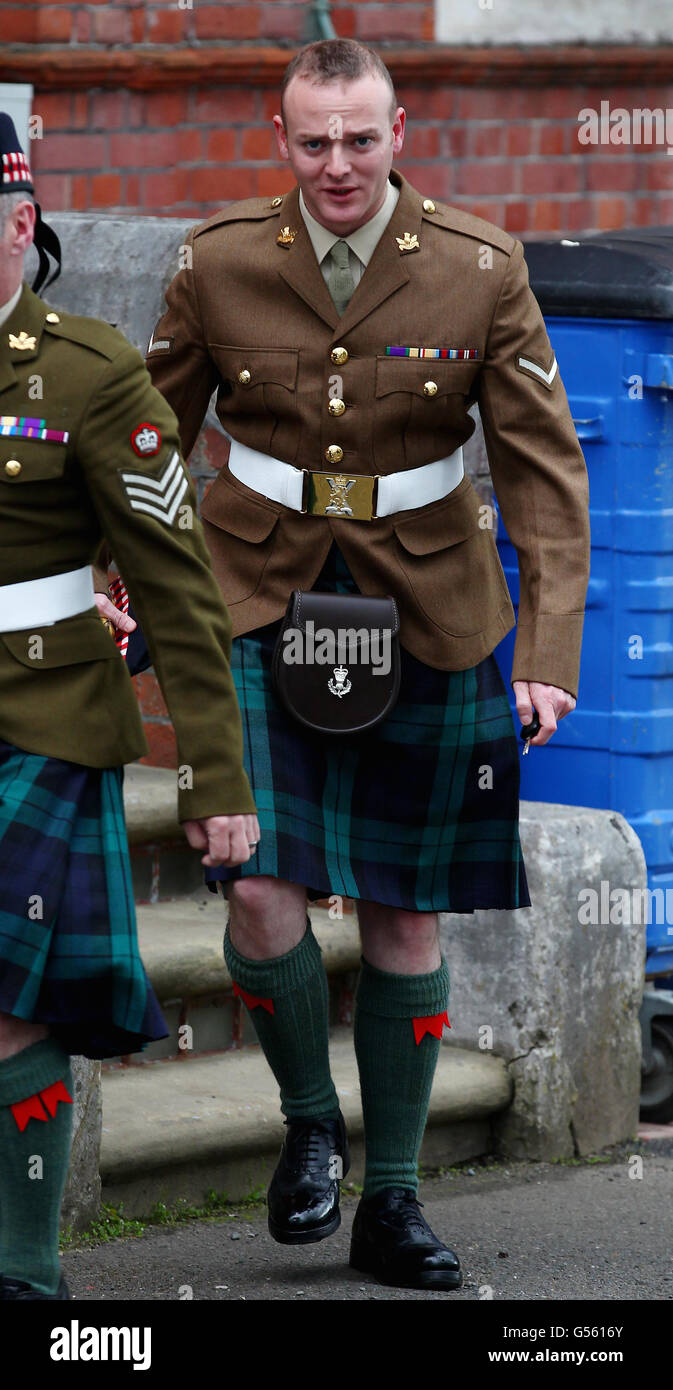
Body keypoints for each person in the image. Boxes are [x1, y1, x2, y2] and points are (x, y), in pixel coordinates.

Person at [146, 39, 590, 1292]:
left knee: (405, 912)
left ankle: (392, 1202)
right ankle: (306, 1120)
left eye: (358, 137)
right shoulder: (219, 261)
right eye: (312, 140)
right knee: (253, 888)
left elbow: (546, 478)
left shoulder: (481, 268)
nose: (335, 164)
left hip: (433, 609)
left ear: (400, 135)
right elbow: (146, 443)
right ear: (279, 140)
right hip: (255, 594)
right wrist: (127, 589)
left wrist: (544, 653)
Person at [0, 114, 259, 1301]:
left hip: (39, 720)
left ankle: (28, 1272)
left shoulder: (92, 372)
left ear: (18, 223)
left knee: (8, 1004)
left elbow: (179, 588)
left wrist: (215, 780)